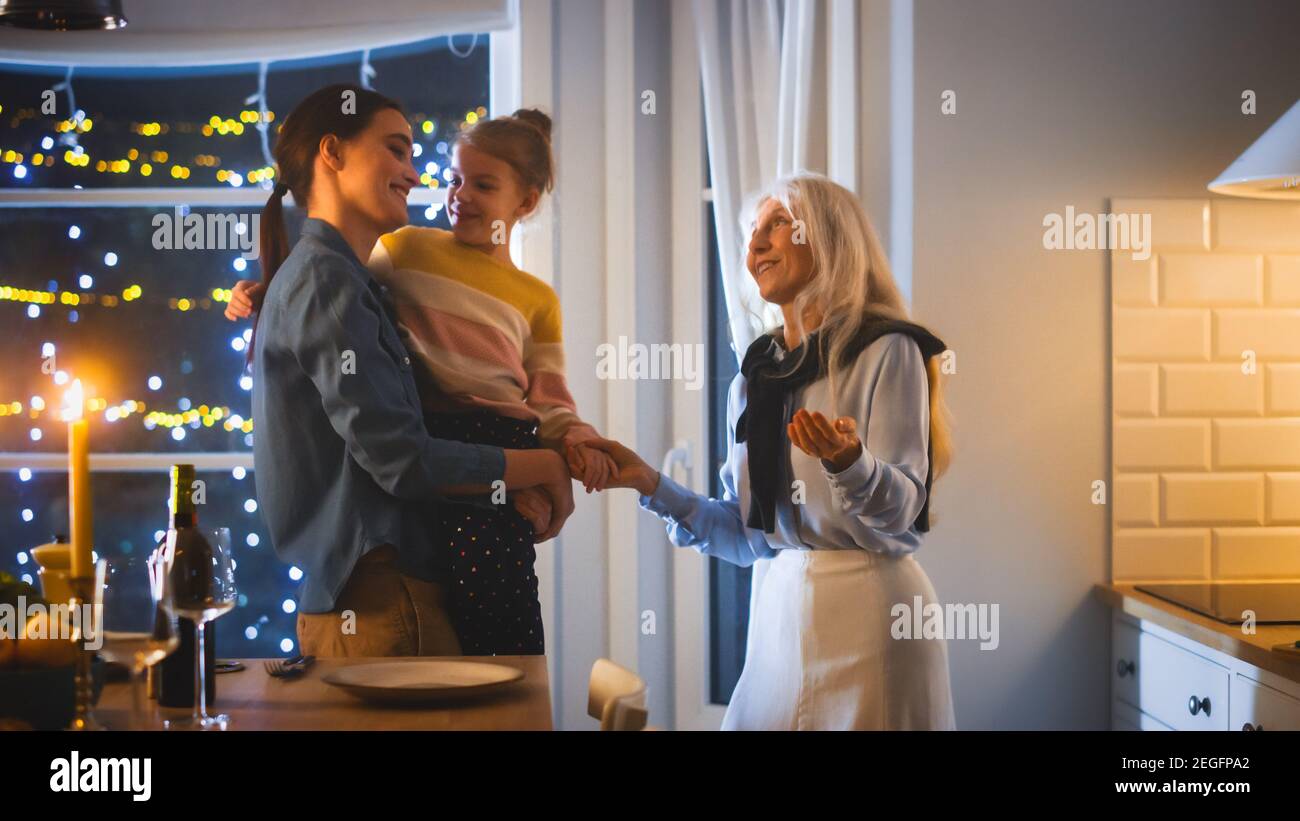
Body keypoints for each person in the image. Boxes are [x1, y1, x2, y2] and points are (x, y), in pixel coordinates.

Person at [230, 106, 610, 656]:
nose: (461, 195)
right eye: (455, 179)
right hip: (441, 437)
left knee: (507, 612)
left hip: (503, 440)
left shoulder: (537, 299)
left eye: (484, 184)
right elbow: (338, 302)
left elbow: (549, 401)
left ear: (524, 203)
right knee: (462, 598)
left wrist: (576, 444)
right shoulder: (406, 249)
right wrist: (264, 292)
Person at [586, 174, 958, 729]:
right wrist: (650, 484)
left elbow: (903, 513)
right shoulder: (757, 376)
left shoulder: (887, 349)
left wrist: (849, 464)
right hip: (779, 620)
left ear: (830, 238)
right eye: (751, 232)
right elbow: (747, 537)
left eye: (778, 223)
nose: (755, 244)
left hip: (873, 616)